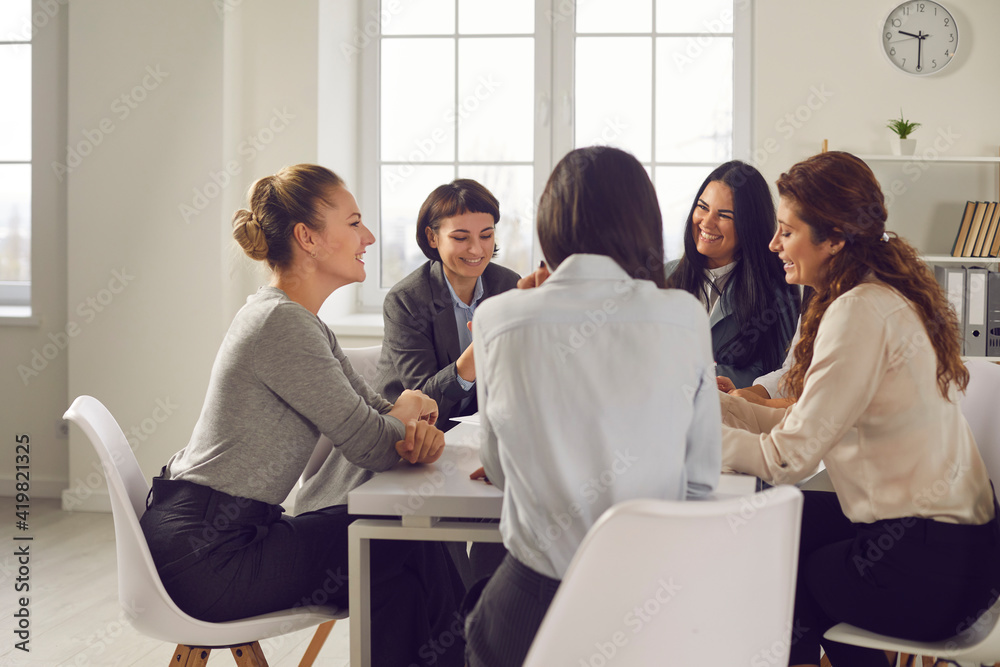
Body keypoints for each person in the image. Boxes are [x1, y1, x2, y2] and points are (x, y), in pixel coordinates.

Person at [139, 164, 466, 667]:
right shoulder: (281, 324)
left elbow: (379, 415)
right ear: (308, 237)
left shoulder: (301, 321)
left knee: (398, 559)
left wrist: (407, 420)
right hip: (210, 554)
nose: (370, 236)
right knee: (401, 536)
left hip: (220, 534)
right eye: (355, 222)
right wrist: (408, 420)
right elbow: (374, 443)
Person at [720, 151, 1000, 667]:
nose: (772, 243)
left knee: (782, 567)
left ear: (833, 239)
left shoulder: (857, 310)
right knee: (786, 523)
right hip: (962, 552)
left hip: (935, 571)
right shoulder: (875, 292)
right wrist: (724, 410)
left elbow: (787, 461)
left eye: (786, 231)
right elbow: (810, 422)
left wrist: (696, 431)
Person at [464, 146, 722, 666]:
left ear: (549, 226)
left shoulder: (498, 317)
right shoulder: (683, 315)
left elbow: (495, 465)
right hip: (650, 600)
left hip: (533, 602)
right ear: (642, 223)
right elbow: (700, 477)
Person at [373, 178, 520, 429]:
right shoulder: (406, 301)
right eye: (461, 237)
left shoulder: (508, 285)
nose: (476, 250)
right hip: (409, 435)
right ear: (432, 237)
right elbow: (424, 401)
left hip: (477, 432)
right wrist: (476, 353)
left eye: (486, 235)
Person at [666, 161, 800, 388]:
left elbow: (787, 375)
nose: (706, 223)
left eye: (724, 215)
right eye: (703, 207)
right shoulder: (664, 277)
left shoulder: (776, 288)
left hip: (741, 418)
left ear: (749, 225)